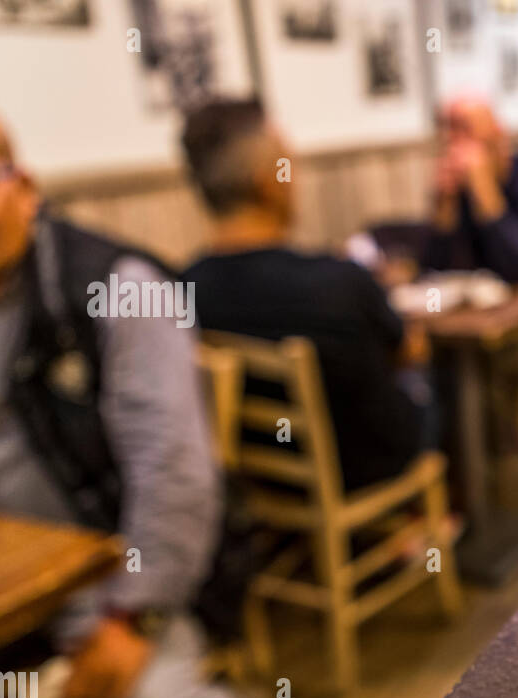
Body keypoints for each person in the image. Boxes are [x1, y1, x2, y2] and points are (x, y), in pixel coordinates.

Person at [0, 91, 303, 698]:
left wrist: (130, 616)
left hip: (121, 577)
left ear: (23, 185)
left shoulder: (114, 287)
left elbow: (174, 474)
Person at [180, 98, 433, 492]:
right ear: (268, 181)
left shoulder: (182, 288)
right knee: (431, 386)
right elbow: (406, 351)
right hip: (357, 471)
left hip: (256, 480)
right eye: (288, 164)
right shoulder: (340, 279)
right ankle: (442, 525)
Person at [419, 97, 518, 284]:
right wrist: (443, 213)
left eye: (465, 130)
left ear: (498, 137)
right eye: (448, 130)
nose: (455, 143)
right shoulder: (459, 192)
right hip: (487, 308)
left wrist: (486, 195)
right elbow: (433, 273)